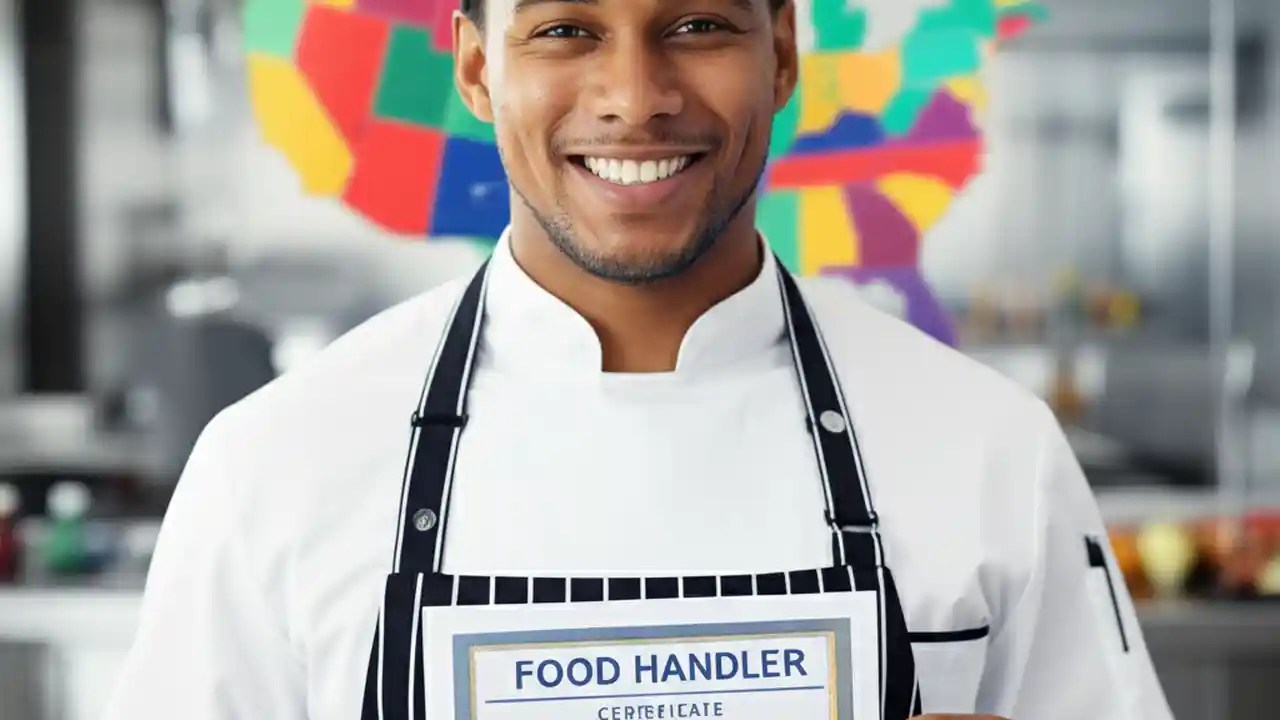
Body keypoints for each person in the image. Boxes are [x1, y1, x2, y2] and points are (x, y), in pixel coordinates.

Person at [105, 1, 1174, 718]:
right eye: (567, 28)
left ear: (784, 53)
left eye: (697, 24)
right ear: (478, 71)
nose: (634, 94)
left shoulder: (989, 448)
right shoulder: (272, 467)